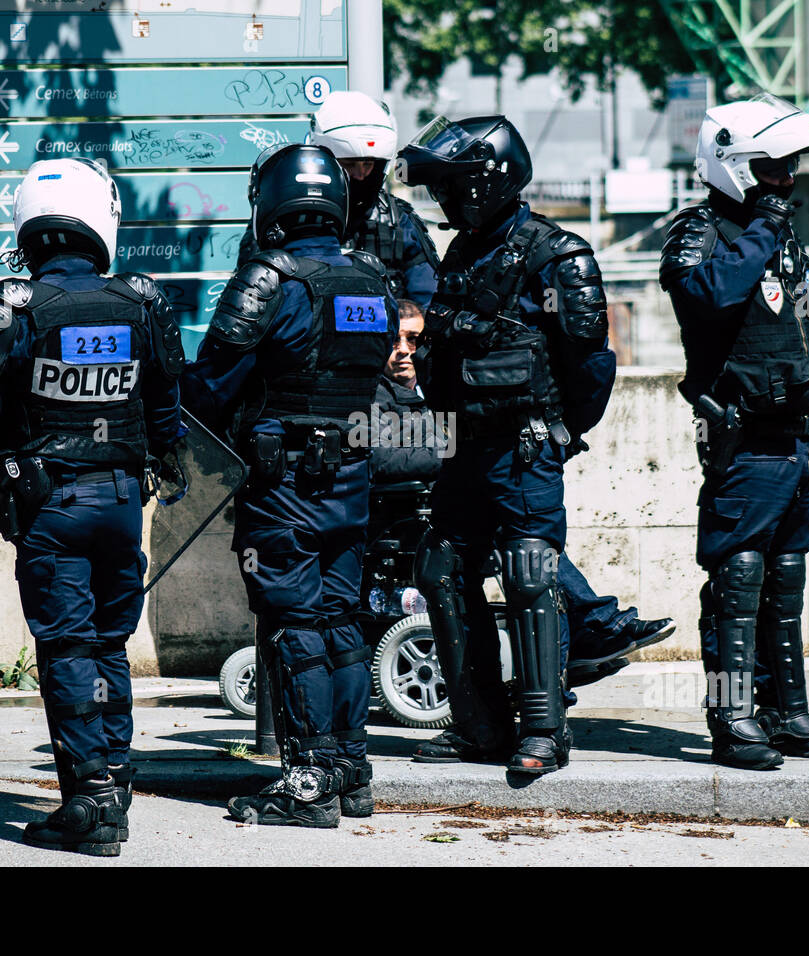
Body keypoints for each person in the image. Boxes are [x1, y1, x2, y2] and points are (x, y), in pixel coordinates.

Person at [0, 158, 186, 853]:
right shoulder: (143, 302)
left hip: (51, 508)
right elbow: (169, 417)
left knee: (67, 649)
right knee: (108, 645)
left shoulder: (12, 307)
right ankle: (114, 782)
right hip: (121, 502)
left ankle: (89, 802)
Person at [180, 143, 396, 827]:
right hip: (353, 479)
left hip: (286, 485)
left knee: (294, 624)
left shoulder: (269, 278)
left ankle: (307, 783)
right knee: (343, 622)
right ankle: (351, 772)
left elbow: (211, 383)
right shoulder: (370, 277)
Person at [396, 115, 615, 775]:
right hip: (462, 443)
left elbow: (591, 365)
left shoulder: (558, 254)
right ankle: (479, 728)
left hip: (522, 445)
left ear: (487, 180)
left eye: (453, 184)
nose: (442, 198)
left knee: (529, 571)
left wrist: (559, 431)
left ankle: (544, 733)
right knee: (440, 568)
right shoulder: (462, 251)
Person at [659, 95, 809, 770]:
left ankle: (786, 710)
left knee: (786, 575)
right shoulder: (700, 233)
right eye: (772, 168)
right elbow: (709, 295)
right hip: (745, 439)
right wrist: (764, 230)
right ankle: (732, 716)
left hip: (800, 438)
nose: (787, 179)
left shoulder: (782, 233)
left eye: (792, 165)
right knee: (737, 578)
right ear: (736, 167)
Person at [371, 302, 675, 694]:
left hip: (467, 498)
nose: (403, 349)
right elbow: (382, 458)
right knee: (520, 544)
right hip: (417, 516)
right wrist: (456, 449)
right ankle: (593, 628)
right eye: (394, 340)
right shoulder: (373, 394)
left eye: (413, 339)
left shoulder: (442, 385)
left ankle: (571, 656)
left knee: (531, 550)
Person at [236, 90, 439, 311]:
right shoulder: (282, 217)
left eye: (369, 164)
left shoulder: (397, 222)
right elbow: (249, 298)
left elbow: (426, 303)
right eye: (350, 164)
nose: (361, 175)